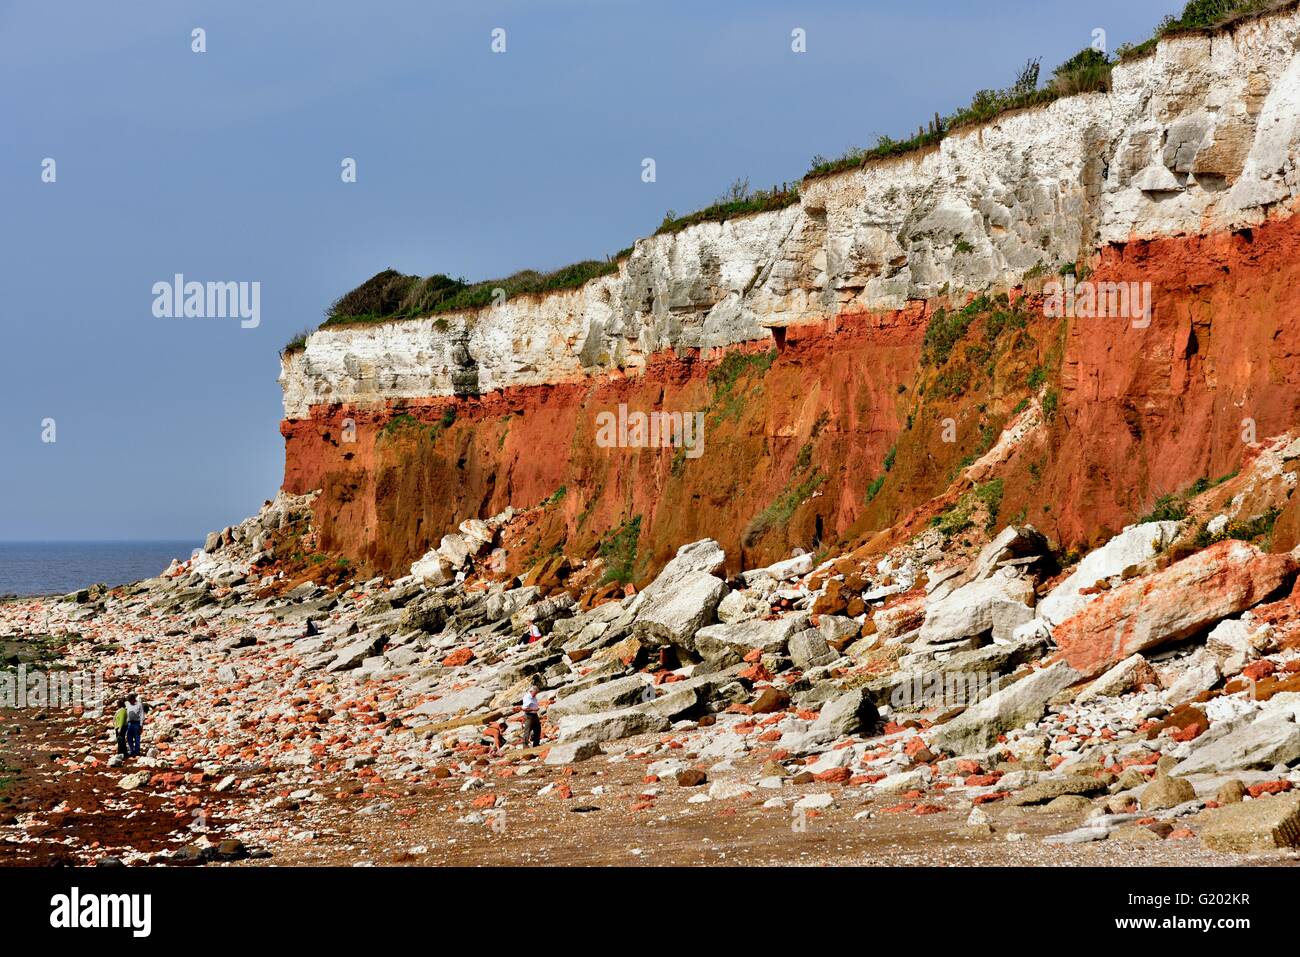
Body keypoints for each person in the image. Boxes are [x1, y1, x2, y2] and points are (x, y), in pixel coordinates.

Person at [520, 681, 542, 748]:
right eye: (535, 693)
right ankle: (525, 745)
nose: (535, 694)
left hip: (534, 715)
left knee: (538, 729)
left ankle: (536, 744)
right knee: (527, 730)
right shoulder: (527, 697)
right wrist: (533, 709)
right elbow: (524, 708)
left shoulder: (533, 697)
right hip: (529, 716)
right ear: (531, 691)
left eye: (536, 693)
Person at [124, 693, 145, 757]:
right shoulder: (127, 704)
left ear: (133, 699)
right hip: (129, 723)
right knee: (129, 738)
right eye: (129, 700)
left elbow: (142, 715)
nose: (129, 701)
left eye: (130, 700)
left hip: (137, 723)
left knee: (137, 738)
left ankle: (137, 752)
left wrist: (141, 725)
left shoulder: (139, 705)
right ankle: (132, 751)